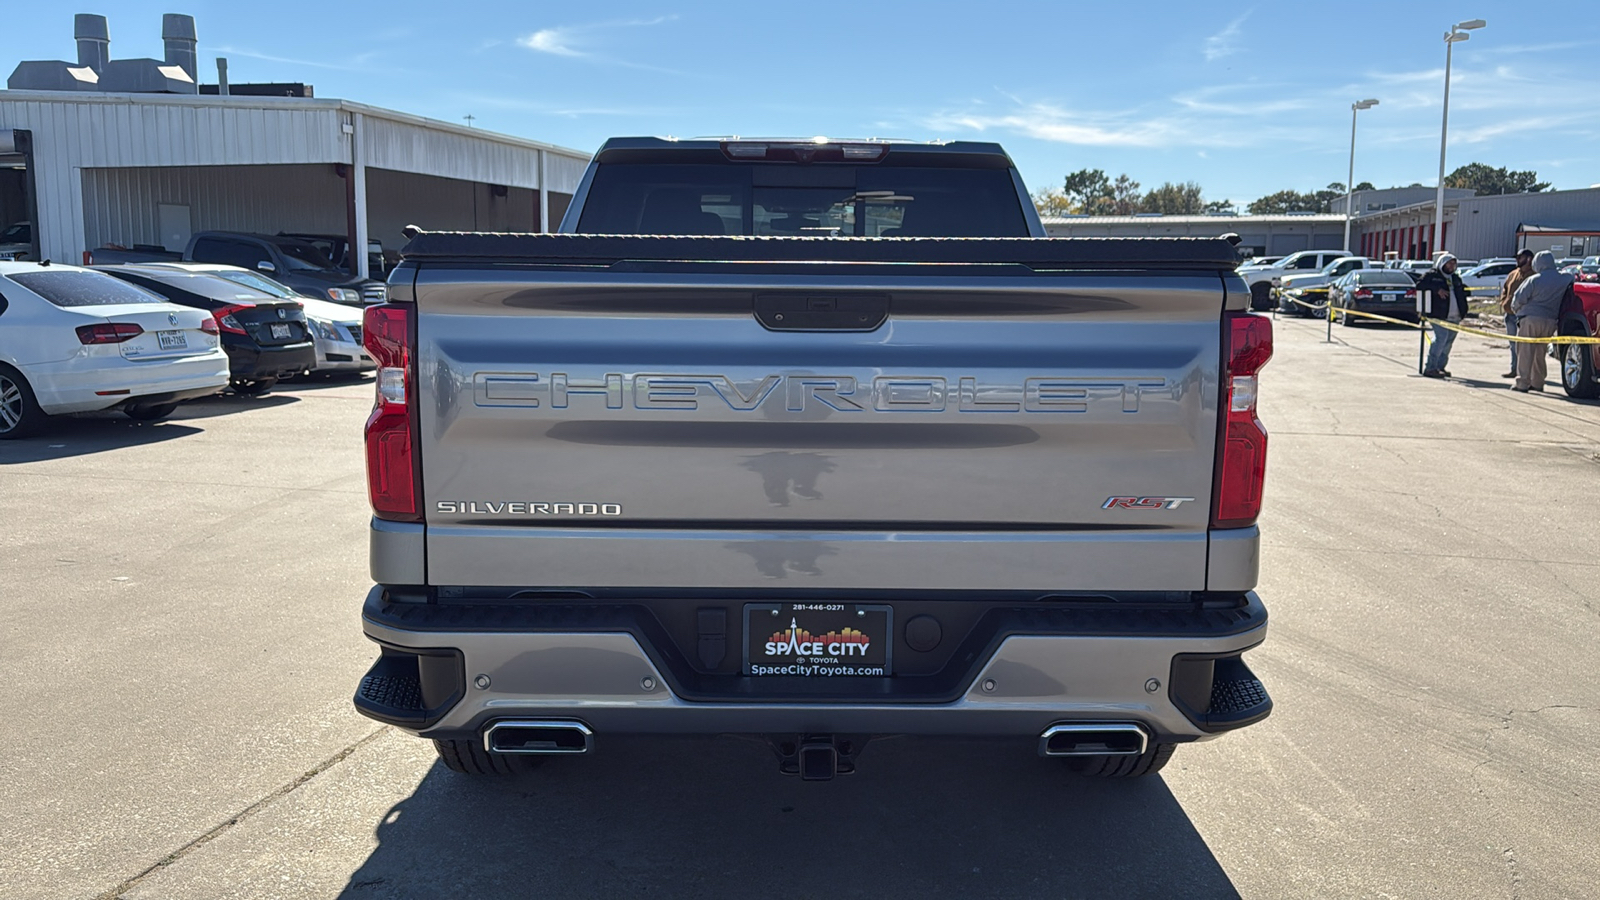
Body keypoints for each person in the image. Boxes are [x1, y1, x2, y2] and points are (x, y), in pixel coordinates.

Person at [1508, 250, 1574, 392]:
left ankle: (1522, 383)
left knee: (1525, 351)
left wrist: (1517, 311)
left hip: (1530, 319)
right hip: (1551, 321)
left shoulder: (1534, 279)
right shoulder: (1565, 279)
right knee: (1540, 352)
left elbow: (1518, 299)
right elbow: (1573, 280)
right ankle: (1538, 382)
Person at [1415, 254, 1469, 378]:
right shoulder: (1432, 276)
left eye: (1453, 264)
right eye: (1449, 263)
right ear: (1442, 263)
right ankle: (1430, 367)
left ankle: (1440, 367)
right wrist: (1436, 289)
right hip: (1438, 315)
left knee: (1448, 343)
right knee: (1441, 339)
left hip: (1455, 316)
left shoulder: (1456, 278)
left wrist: (1464, 310)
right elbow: (1419, 285)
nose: (1451, 266)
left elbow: (1461, 294)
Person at [1498, 249, 1535, 378]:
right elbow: (1505, 290)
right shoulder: (1513, 274)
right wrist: (1503, 302)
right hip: (1509, 315)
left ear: (1529, 259)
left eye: (1520, 257)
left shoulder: (1534, 276)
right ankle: (1514, 369)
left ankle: (1525, 373)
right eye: (1517, 257)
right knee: (1513, 345)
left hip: (1524, 317)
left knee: (1524, 347)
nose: (1517, 260)